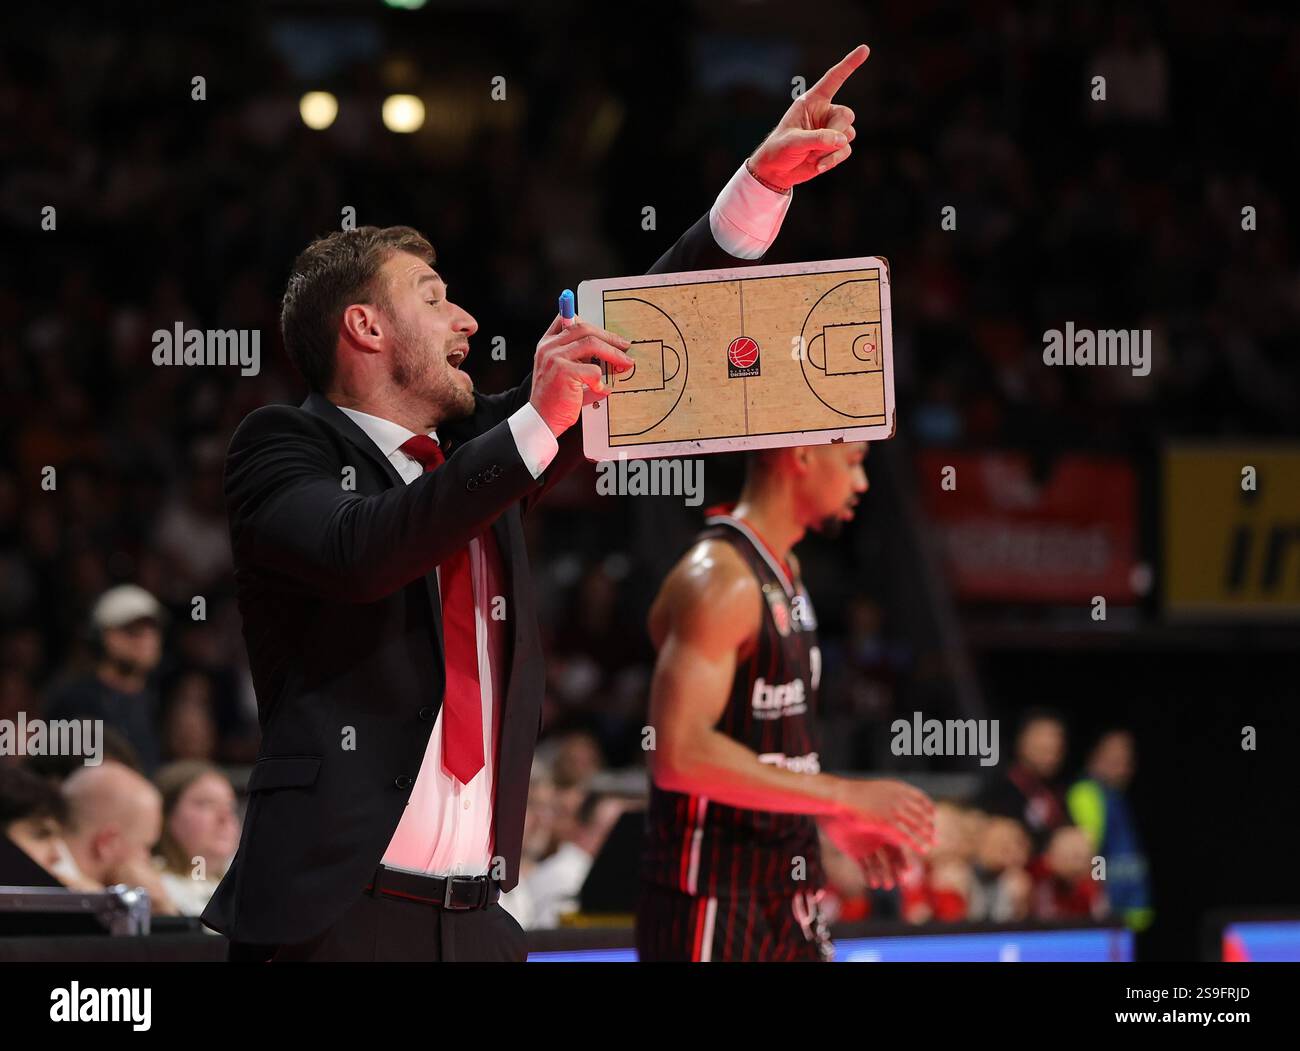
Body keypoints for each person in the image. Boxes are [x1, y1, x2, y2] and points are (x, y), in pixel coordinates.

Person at [204, 45, 871, 963]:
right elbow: (364, 550)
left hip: (480, 922)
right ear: (364, 327)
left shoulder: (483, 452)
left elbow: (641, 334)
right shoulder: (283, 447)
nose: (468, 320)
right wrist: (535, 425)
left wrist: (755, 187)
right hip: (334, 922)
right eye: (435, 299)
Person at [637, 441, 936, 962]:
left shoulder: (786, 570)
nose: (862, 482)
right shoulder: (721, 578)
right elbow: (678, 755)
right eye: (851, 461)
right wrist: (843, 796)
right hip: (713, 902)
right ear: (802, 455)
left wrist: (830, 816)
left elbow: (767, 746)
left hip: (785, 893)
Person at [43, 584, 165, 775]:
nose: (146, 641)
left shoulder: (159, 699)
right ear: (104, 636)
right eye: (133, 632)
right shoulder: (75, 699)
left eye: (152, 632)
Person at [57, 761, 179, 913]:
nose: (147, 859)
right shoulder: (66, 902)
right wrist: (160, 907)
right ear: (107, 843)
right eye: (145, 847)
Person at [1067, 728, 1151, 930]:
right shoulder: (1087, 793)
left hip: (1131, 911)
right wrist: (1099, 893)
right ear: (1095, 755)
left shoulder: (1117, 796)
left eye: (1125, 758)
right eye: (1112, 756)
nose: (1120, 764)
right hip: (1107, 915)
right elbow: (1091, 852)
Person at [152, 760, 240, 918]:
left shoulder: (246, 883)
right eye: (206, 804)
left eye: (230, 806)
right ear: (165, 815)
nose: (225, 817)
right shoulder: (153, 887)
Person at [978, 708, 1071, 852]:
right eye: (1042, 747)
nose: (1050, 755)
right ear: (1022, 742)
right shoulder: (998, 790)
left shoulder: (1060, 792)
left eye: (1055, 749)